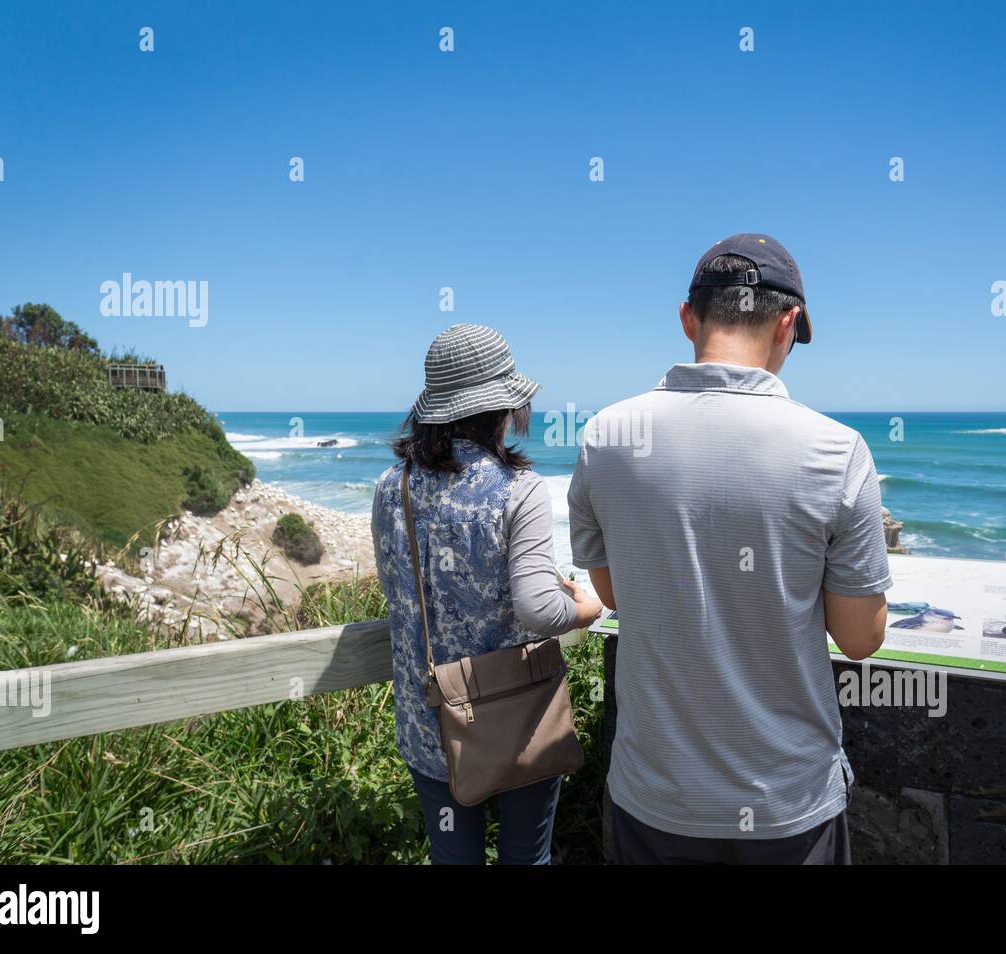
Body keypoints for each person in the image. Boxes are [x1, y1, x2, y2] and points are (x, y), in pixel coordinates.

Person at [568, 233, 891, 864]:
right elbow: (860, 638)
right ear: (789, 322)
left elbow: (613, 593)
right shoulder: (836, 449)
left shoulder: (606, 437)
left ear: (688, 317)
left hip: (655, 794)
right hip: (786, 800)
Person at [371, 323, 603, 864]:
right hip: (520, 715)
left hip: (431, 717)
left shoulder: (391, 487)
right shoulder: (518, 491)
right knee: (526, 858)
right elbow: (537, 608)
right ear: (503, 408)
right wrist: (586, 606)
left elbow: (400, 591)